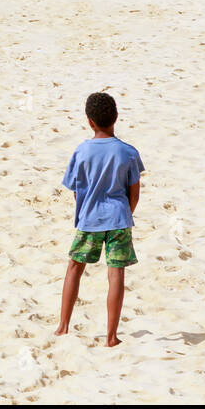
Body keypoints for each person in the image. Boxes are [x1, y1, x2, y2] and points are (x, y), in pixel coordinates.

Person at [55, 92, 143, 347]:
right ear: (115, 118)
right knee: (116, 274)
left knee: (74, 268)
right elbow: (134, 193)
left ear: (89, 121)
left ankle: (63, 327)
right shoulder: (128, 152)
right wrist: (125, 214)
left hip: (90, 218)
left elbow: (75, 188)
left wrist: (85, 211)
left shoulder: (82, 151)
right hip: (118, 218)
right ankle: (111, 336)